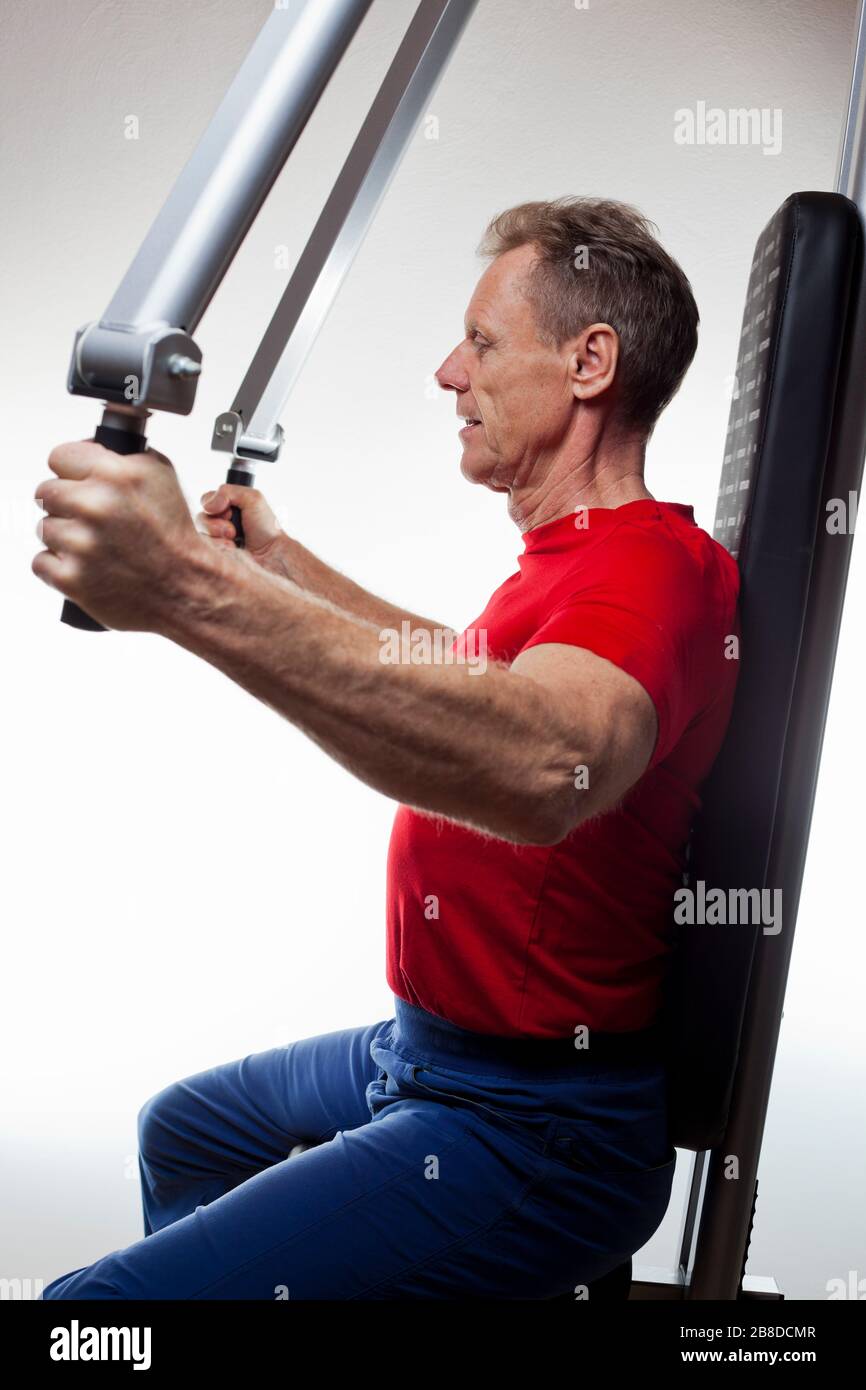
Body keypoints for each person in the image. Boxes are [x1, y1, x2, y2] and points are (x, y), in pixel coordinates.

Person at [34, 197, 740, 1300]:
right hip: (423, 1051)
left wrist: (184, 586)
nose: (447, 371)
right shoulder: (574, 558)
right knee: (185, 1131)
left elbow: (549, 762)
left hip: (532, 1123)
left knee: (95, 1316)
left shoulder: (649, 570)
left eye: (483, 342)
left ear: (588, 361)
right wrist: (281, 567)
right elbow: (462, 679)